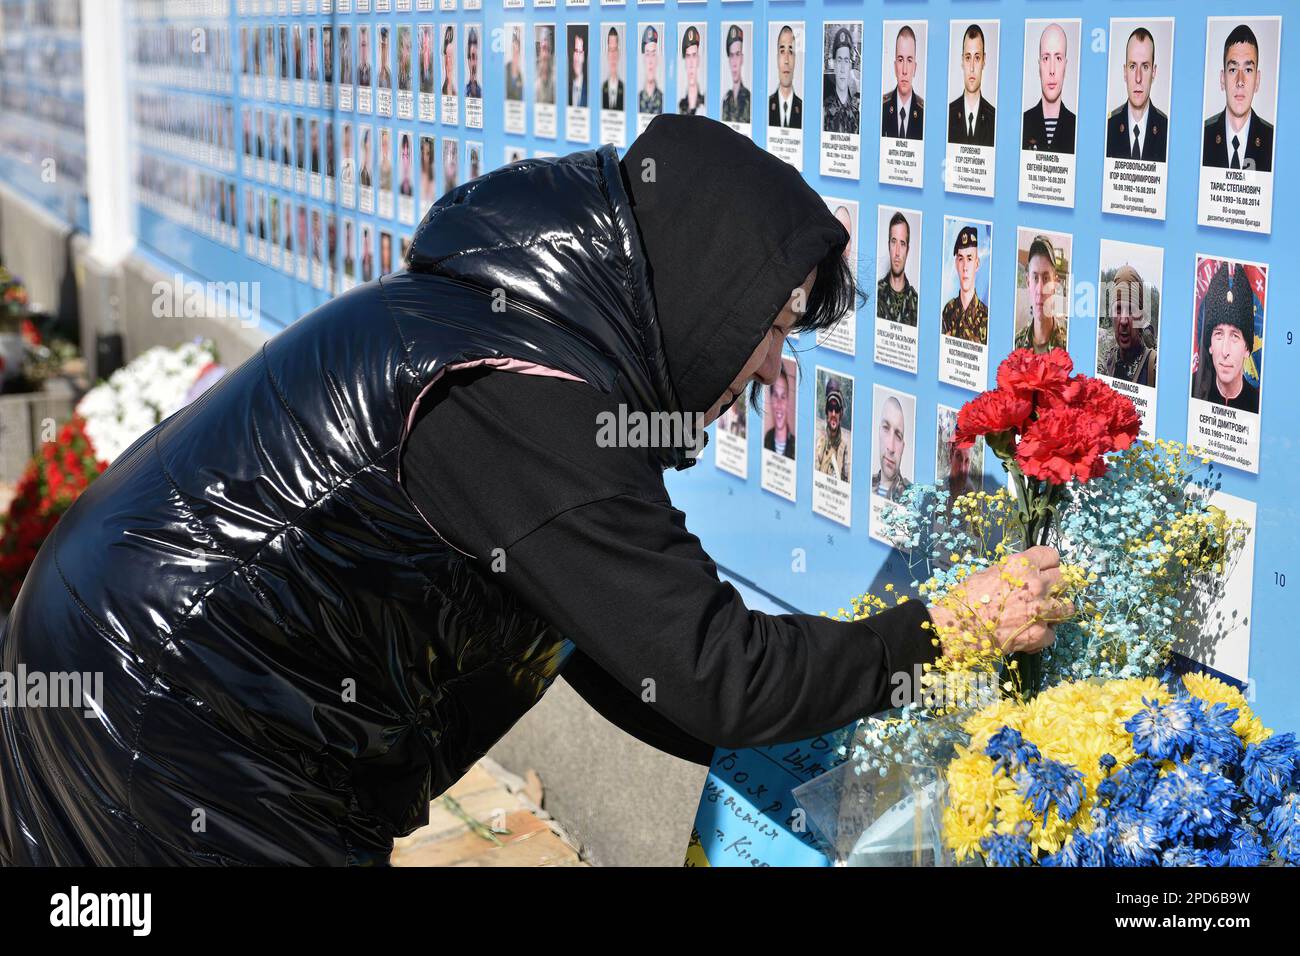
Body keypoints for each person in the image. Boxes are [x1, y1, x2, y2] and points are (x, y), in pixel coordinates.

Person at [0, 116, 1068, 866]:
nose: (776, 367)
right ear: (706, 285)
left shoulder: (518, 335)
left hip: (138, 653)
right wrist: (941, 631)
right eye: (776, 324)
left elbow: (620, 642)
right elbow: (705, 671)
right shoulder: (528, 398)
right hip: (168, 707)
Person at [1202, 24, 1274, 172]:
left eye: (1248, 70)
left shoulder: (1272, 140)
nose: (1240, 81)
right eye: (1233, 69)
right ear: (1222, 79)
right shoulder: (1204, 135)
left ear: (1257, 80)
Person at [1196, 262, 1260, 413]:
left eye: (1235, 336)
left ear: (1247, 348)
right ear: (1210, 345)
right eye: (1218, 334)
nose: (1225, 351)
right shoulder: (1193, 390)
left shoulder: (1257, 405)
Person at [1106, 26, 1168, 162]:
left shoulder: (1167, 129)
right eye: (1132, 66)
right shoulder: (1108, 127)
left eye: (1145, 67)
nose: (1138, 78)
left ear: (1154, 72)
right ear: (1125, 72)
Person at [1098, 264, 1157, 387]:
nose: (1124, 321)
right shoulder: (1105, 366)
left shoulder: (1155, 369)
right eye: (1118, 309)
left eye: (1130, 310)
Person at [1021, 23, 1076, 154]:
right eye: (1046, 58)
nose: (1052, 70)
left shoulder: (1076, 126)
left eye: (1058, 58)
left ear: (1065, 66)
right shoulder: (1023, 123)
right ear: (1039, 66)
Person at [1014, 234, 1068, 354]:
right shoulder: (1017, 345)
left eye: (1046, 278)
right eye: (1035, 278)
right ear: (1028, 283)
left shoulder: (1068, 345)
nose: (1040, 290)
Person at [948, 24, 995, 146]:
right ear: (962, 60)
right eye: (968, 58)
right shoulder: (948, 115)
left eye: (977, 58)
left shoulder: (994, 119)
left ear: (984, 60)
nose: (972, 68)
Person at [940, 225, 988, 344]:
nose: (965, 267)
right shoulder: (948, 311)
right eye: (961, 259)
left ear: (977, 264)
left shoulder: (986, 318)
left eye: (970, 259)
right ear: (956, 263)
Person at [881, 25, 923, 140]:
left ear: (915, 68)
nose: (904, 70)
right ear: (895, 67)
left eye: (909, 60)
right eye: (900, 60)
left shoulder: (924, 113)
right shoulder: (882, 108)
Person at [876, 211, 917, 327]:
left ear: (907, 250)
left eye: (902, 244)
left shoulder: (916, 302)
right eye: (894, 242)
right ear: (888, 245)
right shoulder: (876, 293)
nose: (897, 252)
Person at [872, 395, 911, 502]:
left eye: (898, 436)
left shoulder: (911, 498)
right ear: (878, 432)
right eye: (885, 428)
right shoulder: (865, 483)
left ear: (903, 448)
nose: (891, 447)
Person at [823, 27, 859, 134]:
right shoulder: (824, 110)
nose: (843, 68)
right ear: (834, 64)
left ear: (850, 66)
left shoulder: (857, 111)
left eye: (846, 61)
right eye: (839, 60)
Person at [814, 377, 850, 481]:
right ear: (826, 411)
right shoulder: (819, 442)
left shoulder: (845, 448)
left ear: (841, 413)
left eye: (837, 409)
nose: (833, 413)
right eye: (830, 408)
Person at [769, 25, 802, 129]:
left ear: (796, 59)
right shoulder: (767, 105)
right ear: (777, 57)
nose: (786, 60)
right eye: (782, 51)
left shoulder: (802, 108)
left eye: (791, 52)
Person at [763, 362, 796, 459]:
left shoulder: (795, 445)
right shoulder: (766, 440)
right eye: (775, 395)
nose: (779, 403)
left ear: (788, 400)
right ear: (770, 398)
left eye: (783, 397)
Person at [721, 25, 750, 124]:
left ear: (742, 58)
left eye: (737, 54)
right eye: (731, 55)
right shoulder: (726, 100)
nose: (734, 63)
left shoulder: (749, 98)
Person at [678, 25, 705, 115]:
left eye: (694, 55)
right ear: (685, 60)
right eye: (688, 56)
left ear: (698, 59)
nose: (691, 63)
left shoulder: (705, 104)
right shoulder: (680, 106)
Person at [638, 26, 662, 116]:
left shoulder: (663, 99)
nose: (650, 61)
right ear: (643, 58)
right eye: (647, 54)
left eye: (653, 54)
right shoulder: (636, 99)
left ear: (657, 58)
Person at [602, 27, 624, 111]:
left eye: (615, 50)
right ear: (607, 53)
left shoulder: (624, 88)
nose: (613, 55)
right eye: (610, 50)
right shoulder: (601, 88)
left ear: (618, 53)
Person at [535, 26, 556, 105]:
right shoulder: (535, 70)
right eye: (542, 48)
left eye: (547, 49)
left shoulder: (554, 75)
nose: (544, 54)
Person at [569, 27, 588, 108]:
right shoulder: (566, 86)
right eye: (575, 51)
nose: (577, 57)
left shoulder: (590, 89)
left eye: (580, 52)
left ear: (584, 56)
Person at [506, 28, 524, 102]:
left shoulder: (520, 75)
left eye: (517, 52)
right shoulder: (505, 70)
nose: (515, 55)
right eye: (513, 50)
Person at [465, 27, 481, 99]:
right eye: (471, 57)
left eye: (475, 58)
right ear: (468, 61)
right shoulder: (465, 91)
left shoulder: (481, 91)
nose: (474, 63)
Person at [441, 27, 456, 97]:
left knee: (449, 84)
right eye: (447, 34)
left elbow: (450, 61)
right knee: (448, 84)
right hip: (447, 71)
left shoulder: (450, 46)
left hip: (449, 71)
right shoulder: (447, 47)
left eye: (450, 35)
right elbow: (446, 61)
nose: (448, 36)